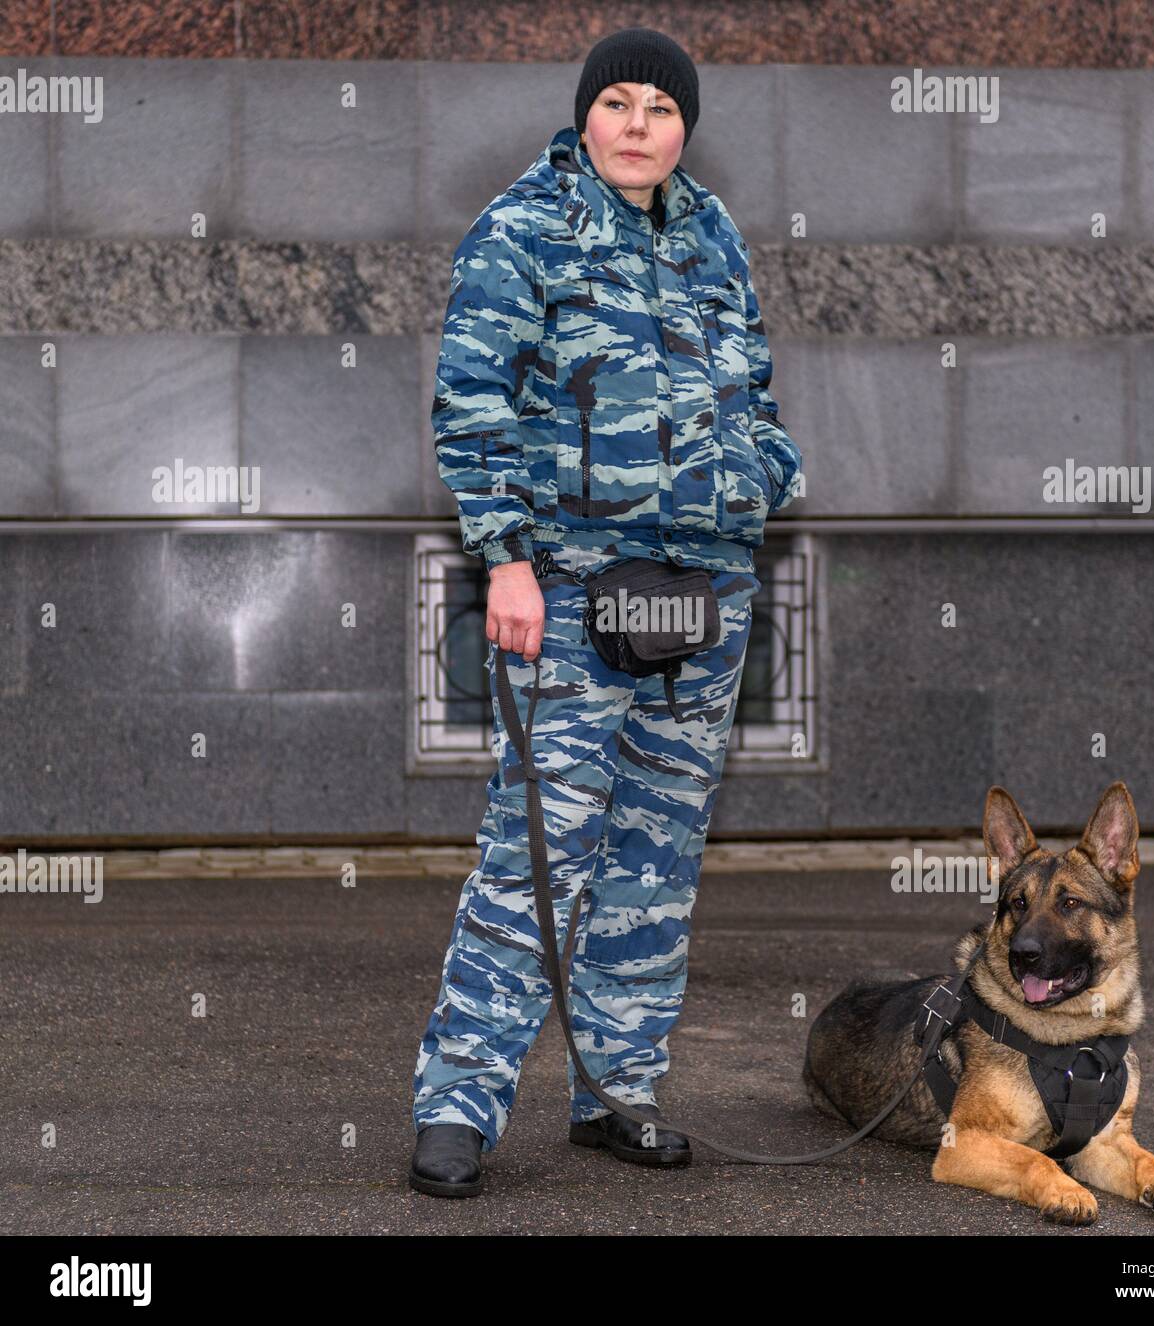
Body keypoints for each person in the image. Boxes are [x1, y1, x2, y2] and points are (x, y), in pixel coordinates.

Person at [410, 26, 803, 1198]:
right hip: (572, 592)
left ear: (686, 126)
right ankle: (459, 1106)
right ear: (587, 115)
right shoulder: (522, 228)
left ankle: (618, 1092)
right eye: (618, 103)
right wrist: (508, 561)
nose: (638, 124)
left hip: (704, 595)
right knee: (534, 856)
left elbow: (755, 384)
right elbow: (469, 402)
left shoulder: (713, 233)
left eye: (661, 108)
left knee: (655, 859)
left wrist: (760, 476)